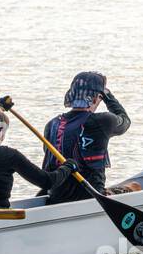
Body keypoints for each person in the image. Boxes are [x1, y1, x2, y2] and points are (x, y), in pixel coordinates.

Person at [40, 72, 131, 204]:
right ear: (96, 98)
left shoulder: (51, 125)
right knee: (134, 186)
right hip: (91, 198)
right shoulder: (103, 121)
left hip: (57, 198)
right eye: (100, 97)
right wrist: (108, 96)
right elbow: (125, 121)